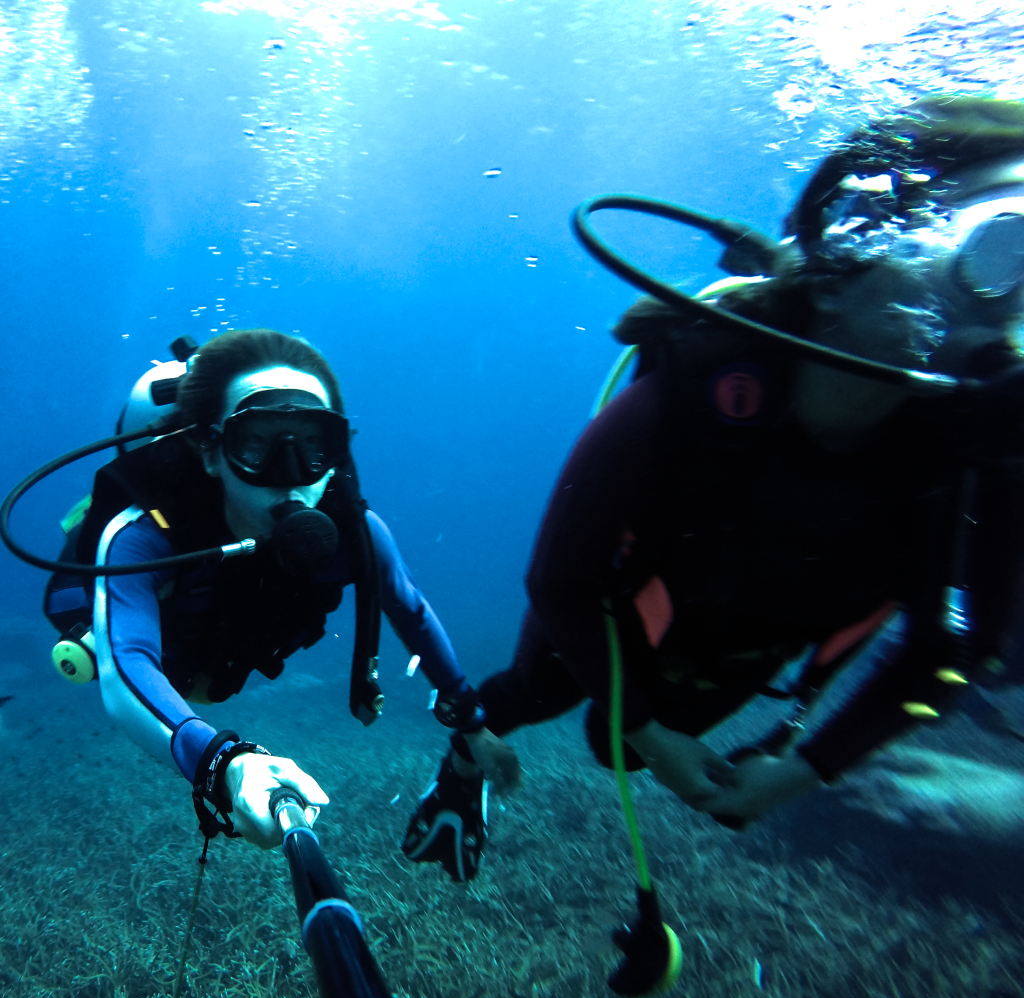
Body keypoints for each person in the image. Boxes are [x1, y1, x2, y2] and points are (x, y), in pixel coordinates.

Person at [404, 94, 1024, 881]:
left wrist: (804, 770)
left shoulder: (974, 448)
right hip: (626, 604)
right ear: (838, 271)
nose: (1006, 308)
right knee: (538, 692)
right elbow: (559, 581)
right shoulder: (701, 394)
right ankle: (461, 774)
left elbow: (953, 652)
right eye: (1000, 248)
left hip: (752, 637)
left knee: (612, 748)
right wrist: (655, 737)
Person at [57, 329, 518, 849]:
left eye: (313, 445)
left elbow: (409, 608)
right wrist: (223, 764)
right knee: (153, 649)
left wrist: (472, 723)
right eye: (257, 442)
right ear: (210, 452)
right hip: (179, 649)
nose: (292, 476)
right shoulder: (145, 534)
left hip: (227, 651)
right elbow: (127, 666)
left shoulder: (357, 534)